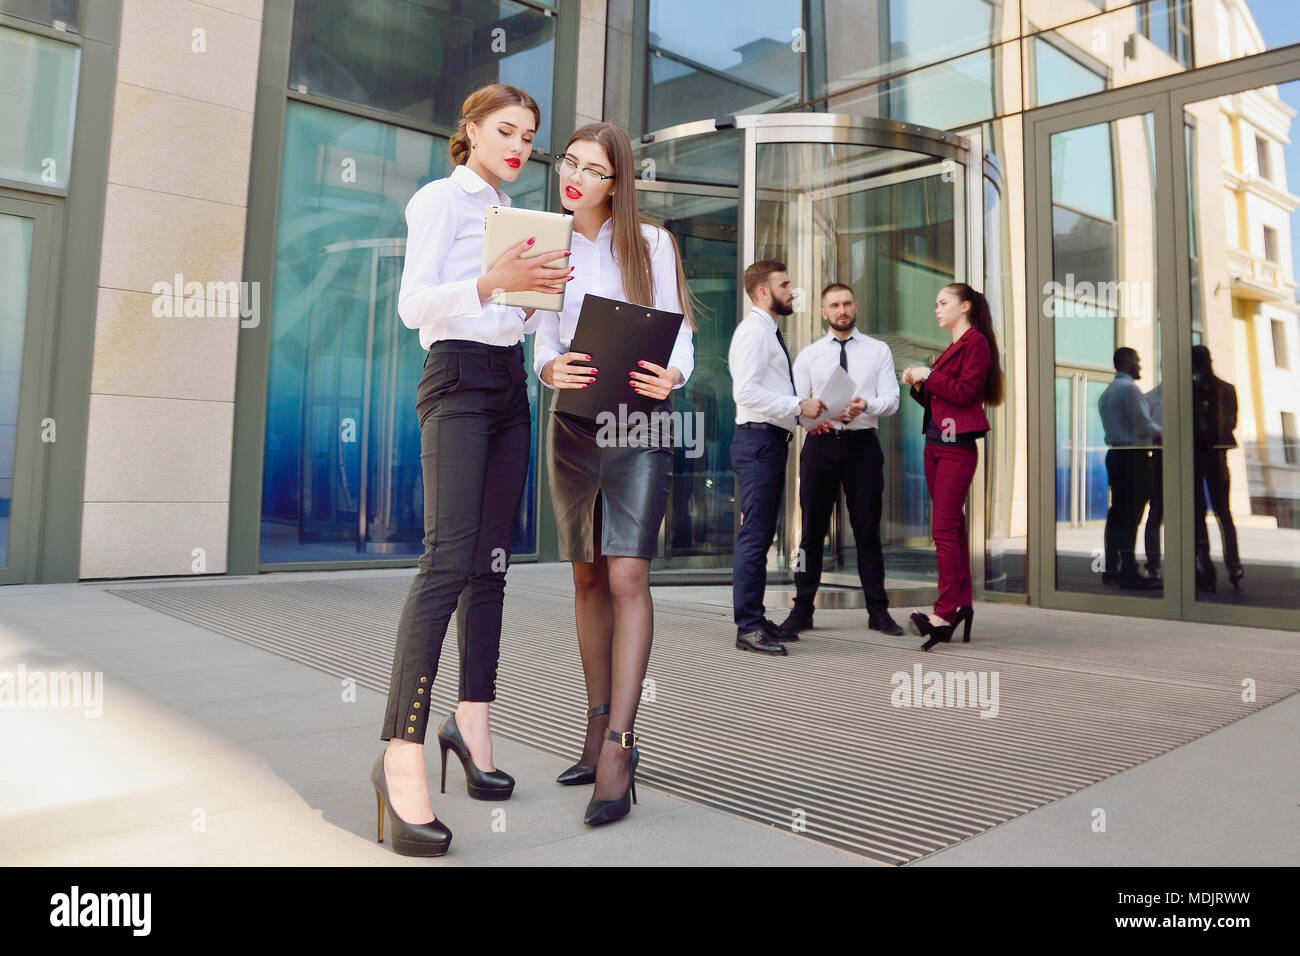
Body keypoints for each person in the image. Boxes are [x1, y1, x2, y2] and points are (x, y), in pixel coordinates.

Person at [370, 84, 574, 857]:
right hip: (454, 381)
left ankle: (474, 725)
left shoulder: (519, 218)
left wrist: (527, 315)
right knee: (447, 561)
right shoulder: (441, 200)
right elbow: (413, 305)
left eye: (529, 134)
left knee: (492, 567)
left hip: (507, 385)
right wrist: (489, 284)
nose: (520, 144)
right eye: (506, 130)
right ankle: (400, 754)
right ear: (472, 131)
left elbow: (518, 316)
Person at [532, 122, 695, 826]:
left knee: (628, 573)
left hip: (639, 422)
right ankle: (594, 728)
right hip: (571, 424)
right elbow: (539, 333)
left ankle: (622, 749)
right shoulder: (543, 240)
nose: (574, 176)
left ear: (618, 182)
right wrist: (547, 366)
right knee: (586, 575)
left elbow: (680, 327)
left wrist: (675, 374)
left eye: (592, 168)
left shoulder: (651, 243)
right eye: (569, 162)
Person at [776, 282, 904, 640]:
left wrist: (866, 405)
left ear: (855, 306)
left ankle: (878, 611)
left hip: (863, 446)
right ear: (823, 312)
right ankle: (802, 610)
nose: (842, 310)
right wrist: (810, 418)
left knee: (868, 532)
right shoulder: (810, 355)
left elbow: (892, 399)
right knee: (810, 534)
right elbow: (794, 403)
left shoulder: (878, 351)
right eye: (834, 305)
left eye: (847, 303)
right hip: (820, 445)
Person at [729, 261, 825, 656]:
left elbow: (765, 393)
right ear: (764, 291)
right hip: (758, 445)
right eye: (785, 284)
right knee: (755, 536)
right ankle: (748, 627)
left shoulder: (767, 330)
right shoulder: (754, 331)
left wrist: (801, 417)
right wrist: (797, 403)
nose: (792, 290)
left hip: (768, 440)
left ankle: (755, 618)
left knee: (761, 534)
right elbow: (746, 393)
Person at [900, 283, 1004, 651]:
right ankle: (961, 605)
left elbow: (965, 393)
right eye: (936, 302)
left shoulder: (976, 343)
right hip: (936, 445)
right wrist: (917, 382)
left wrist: (929, 375)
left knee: (943, 530)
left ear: (965, 306)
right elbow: (941, 399)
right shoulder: (954, 347)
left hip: (956, 449)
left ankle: (943, 613)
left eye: (943, 303)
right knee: (953, 529)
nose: (936, 309)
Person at [1096, 347, 1162, 590]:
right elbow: (1143, 425)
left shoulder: (1108, 392)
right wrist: (1168, 434)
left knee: (1117, 514)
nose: (1140, 366)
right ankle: (1129, 570)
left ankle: (1112, 568)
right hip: (1133, 457)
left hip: (1115, 455)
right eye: (1137, 360)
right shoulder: (1130, 390)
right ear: (1126, 362)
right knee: (1132, 515)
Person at [1191, 345, 1242, 591]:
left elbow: (1229, 421)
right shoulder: (1224, 389)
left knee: (1205, 513)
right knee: (1221, 513)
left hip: (1204, 455)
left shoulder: (1194, 391)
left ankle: (1210, 564)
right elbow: (1231, 422)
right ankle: (1230, 564)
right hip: (1212, 456)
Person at [1143, 382, 1163, 580]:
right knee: (1155, 513)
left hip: (1186, 459)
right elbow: (1144, 432)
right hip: (1158, 460)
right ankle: (1153, 564)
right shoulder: (1149, 398)